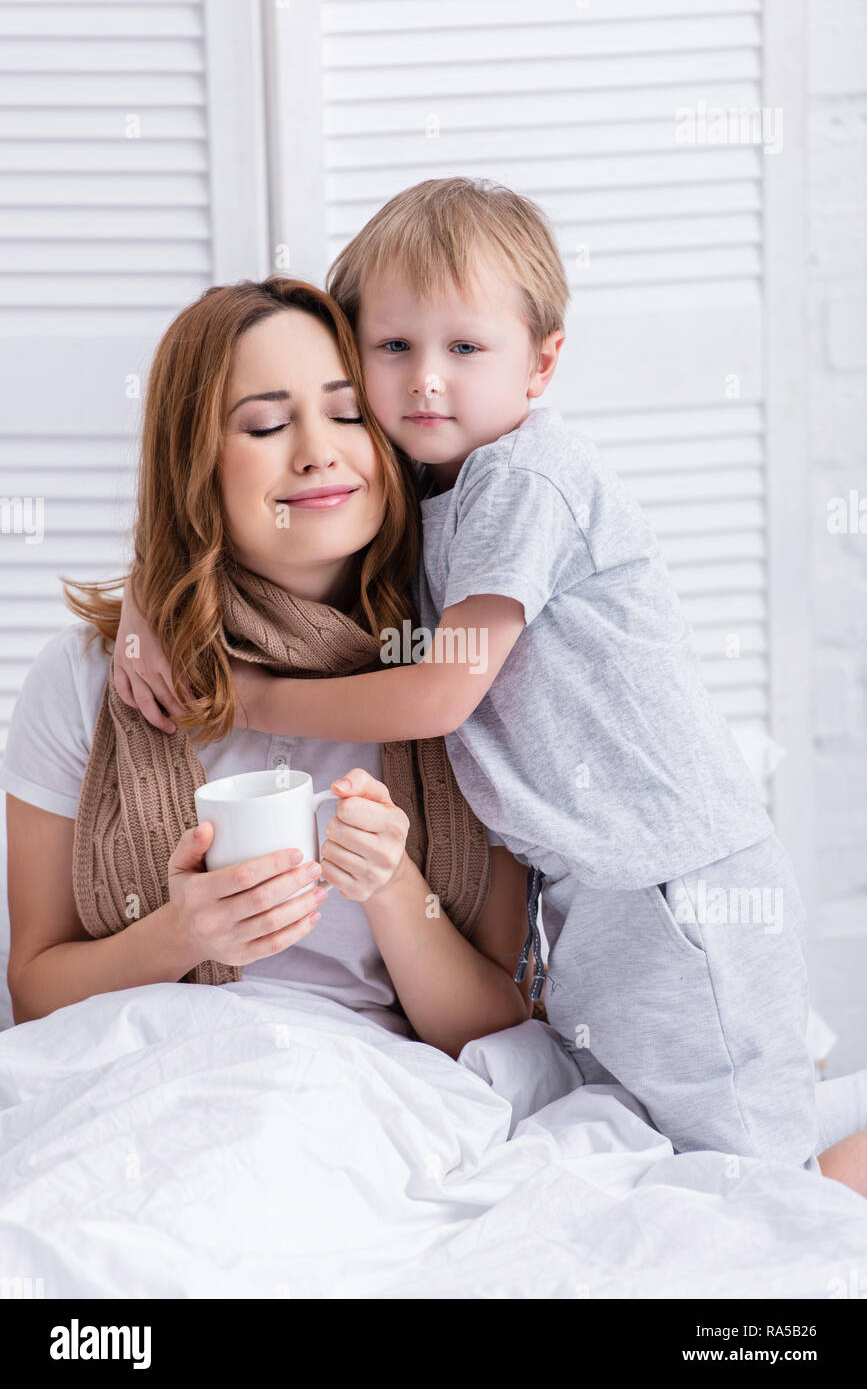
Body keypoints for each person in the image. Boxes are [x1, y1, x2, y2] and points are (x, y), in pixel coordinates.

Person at [113, 178, 865, 1190]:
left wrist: (245, 697)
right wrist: (144, 603)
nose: (426, 381)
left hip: (678, 884)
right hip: (595, 892)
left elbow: (440, 693)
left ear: (541, 360)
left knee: (757, 1178)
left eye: (465, 349)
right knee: (664, 1153)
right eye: (393, 349)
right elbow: (224, 514)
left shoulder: (522, 476)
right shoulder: (431, 488)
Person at [1, 278, 537, 1065]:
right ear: (196, 462)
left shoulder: (458, 668)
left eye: (349, 413)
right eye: (265, 425)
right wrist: (180, 934)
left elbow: (497, 1027)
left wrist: (391, 888)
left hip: (372, 1092)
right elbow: (34, 992)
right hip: (148, 1077)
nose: (318, 449)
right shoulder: (93, 677)